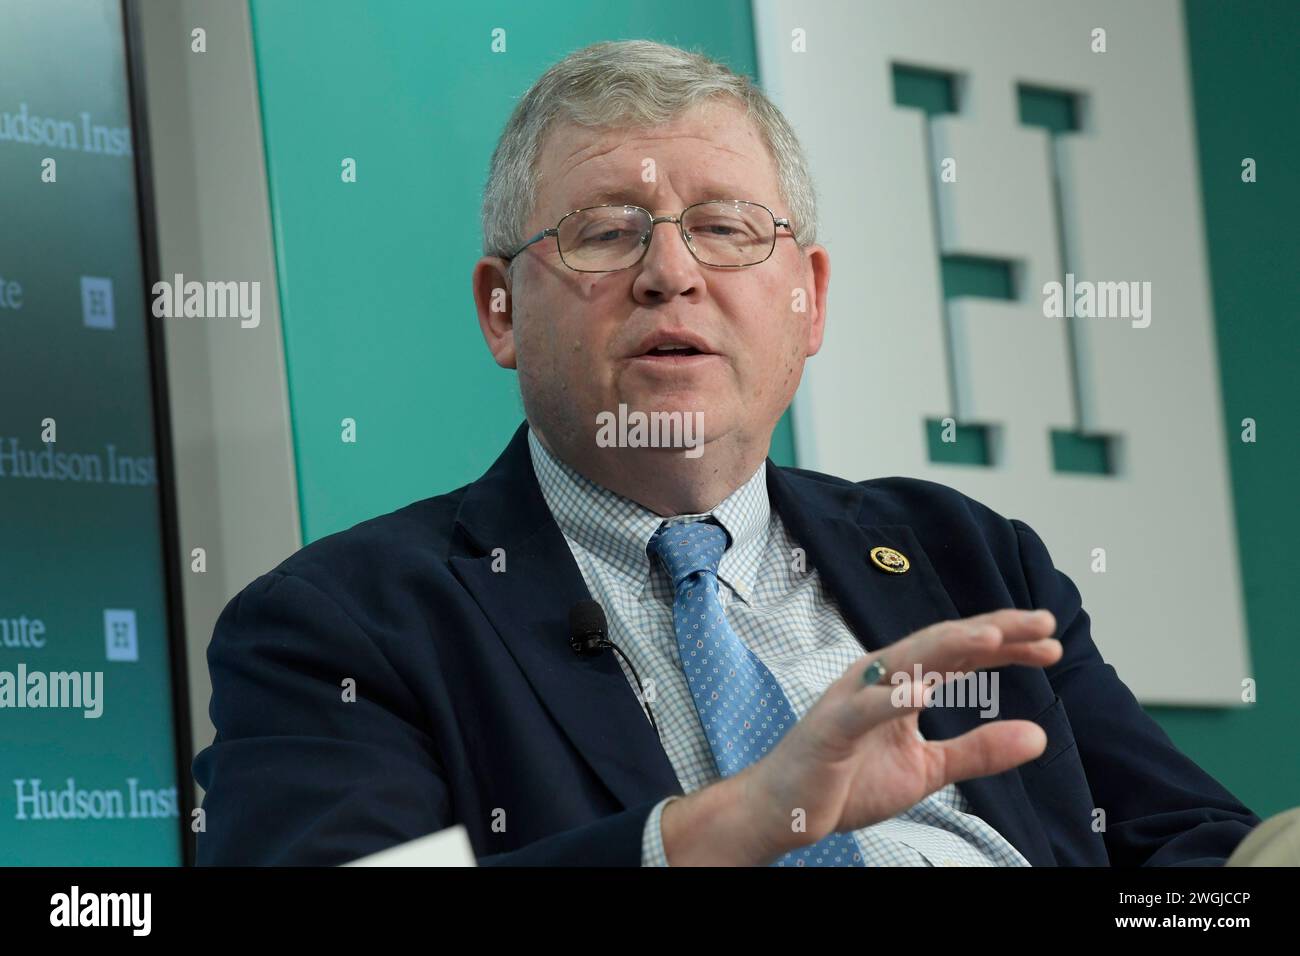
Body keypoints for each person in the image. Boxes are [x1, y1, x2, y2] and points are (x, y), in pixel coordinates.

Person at [192, 40, 1261, 866]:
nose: (671, 273)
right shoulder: (339, 625)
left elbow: (1187, 854)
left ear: (810, 301)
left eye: (727, 228)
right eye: (606, 232)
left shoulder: (967, 558)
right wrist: (715, 832)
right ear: (501, 309)